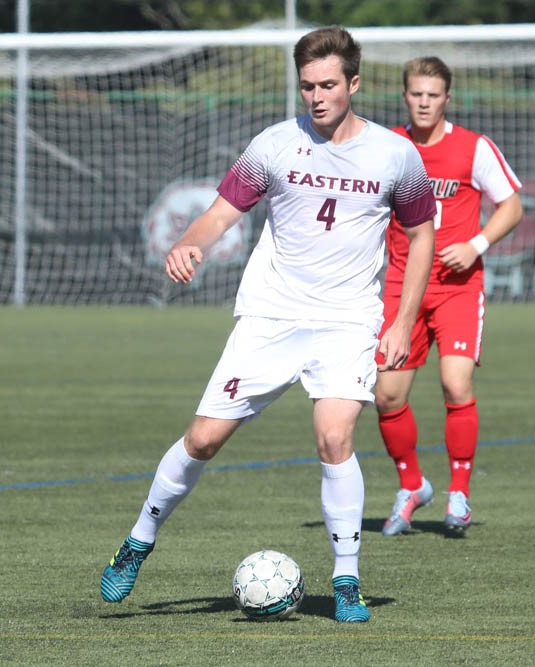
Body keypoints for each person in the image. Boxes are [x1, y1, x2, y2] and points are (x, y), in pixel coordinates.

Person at [99, 26, 436, 623]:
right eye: (307, 85)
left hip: (347, 320)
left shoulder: (395, 155)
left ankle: (348, 581)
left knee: (335, 437)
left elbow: (420, 232)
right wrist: (190, 243)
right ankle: (139, 539)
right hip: (271, 316)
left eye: (328, 84)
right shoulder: (275, 145)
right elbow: (222, 212)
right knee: (202, 439)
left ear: (354, 84)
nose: (316, 96)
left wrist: (401, 320)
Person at [374, 56, 524, 537]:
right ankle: (412, 485)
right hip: (400, 288)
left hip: (459, 289)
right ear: (405, 96)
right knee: (386, 395)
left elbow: (512, 206)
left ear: (446, 98)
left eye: (432, 95)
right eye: (416, 93)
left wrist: (476, 244)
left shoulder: (473, 147)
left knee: (456, 386)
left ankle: (459, 493)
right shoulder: (387, 147)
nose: (424, 102)